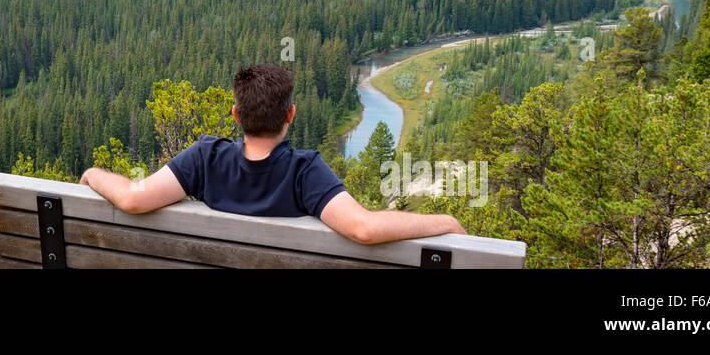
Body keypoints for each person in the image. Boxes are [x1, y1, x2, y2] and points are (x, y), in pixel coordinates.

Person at [79, 64, 466, 244]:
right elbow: (363, 228)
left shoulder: (205, 158)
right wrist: (444, 221)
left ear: (235, 116)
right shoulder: (305, 172)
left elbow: (132, 198)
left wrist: (92, 174)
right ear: (290, 116)